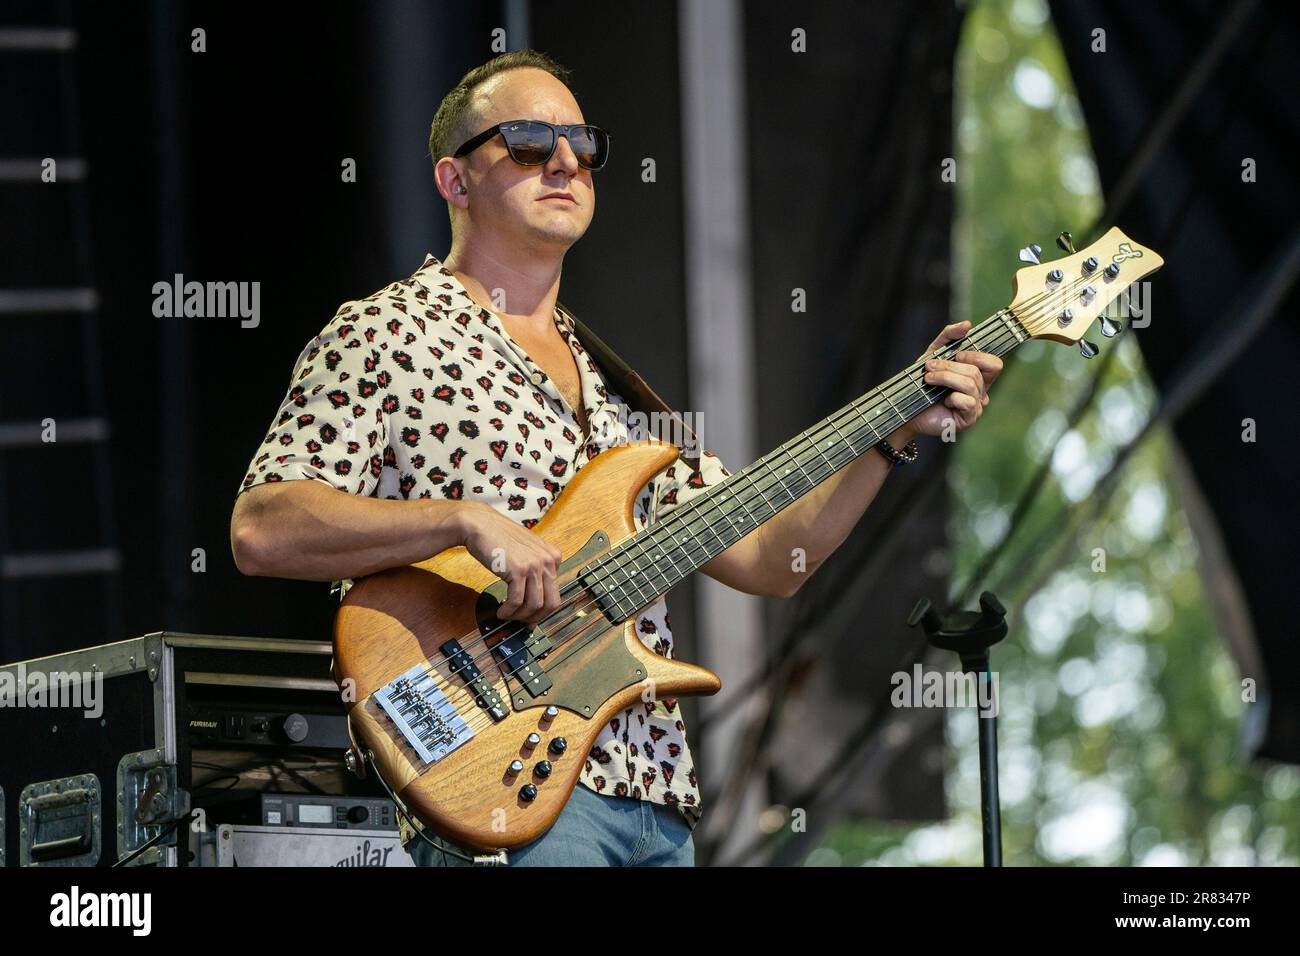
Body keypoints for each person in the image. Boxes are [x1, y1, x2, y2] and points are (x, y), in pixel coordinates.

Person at [229, 49, 1002, 867]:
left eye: (582, 144)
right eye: (528, 141)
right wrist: (461, 519)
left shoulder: (620, 394)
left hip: (655, 797)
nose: (565, 160)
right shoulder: (388, 331)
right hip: (504, 785)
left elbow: (774, 557)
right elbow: (264, 527)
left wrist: (894, 431)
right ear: (454, 181)